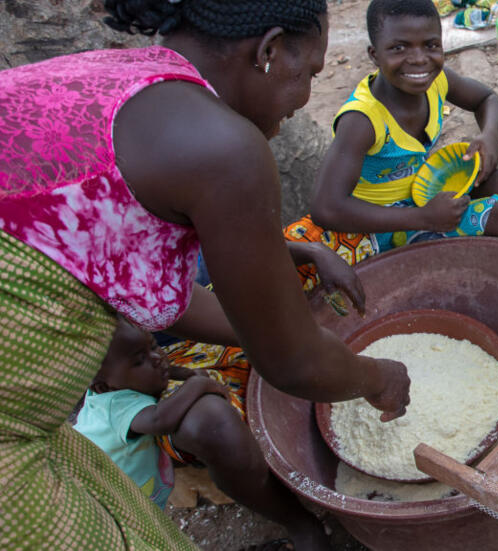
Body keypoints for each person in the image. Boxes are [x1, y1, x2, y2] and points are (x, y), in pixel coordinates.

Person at [0, 1, 410, 550]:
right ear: (267, 52)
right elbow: (291, 364)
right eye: (309, 73)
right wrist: (376, 378)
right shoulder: (224, 148)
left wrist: (284, 327)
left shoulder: (132, 76)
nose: (308, 94)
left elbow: (150, 286)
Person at [296, 0, 498, 260]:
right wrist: (423, 217)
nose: (419, 59)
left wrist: (488, 138)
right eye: (399, 48)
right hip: (380, 226)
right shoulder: (363, 120)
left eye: (431, 45)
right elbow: (326, 207)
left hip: (423, 199)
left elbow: (487, 99)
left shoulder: (437, 80)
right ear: (374, 55)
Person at [74, 318, 230, 511]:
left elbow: (161, 367)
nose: (156, 358)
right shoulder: (117, 406)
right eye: (139, 361)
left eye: (154, 346)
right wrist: (197, 385)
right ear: (104, 387)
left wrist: (181, 373)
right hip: (116, 502)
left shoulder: (113, 382)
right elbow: (160, 419)